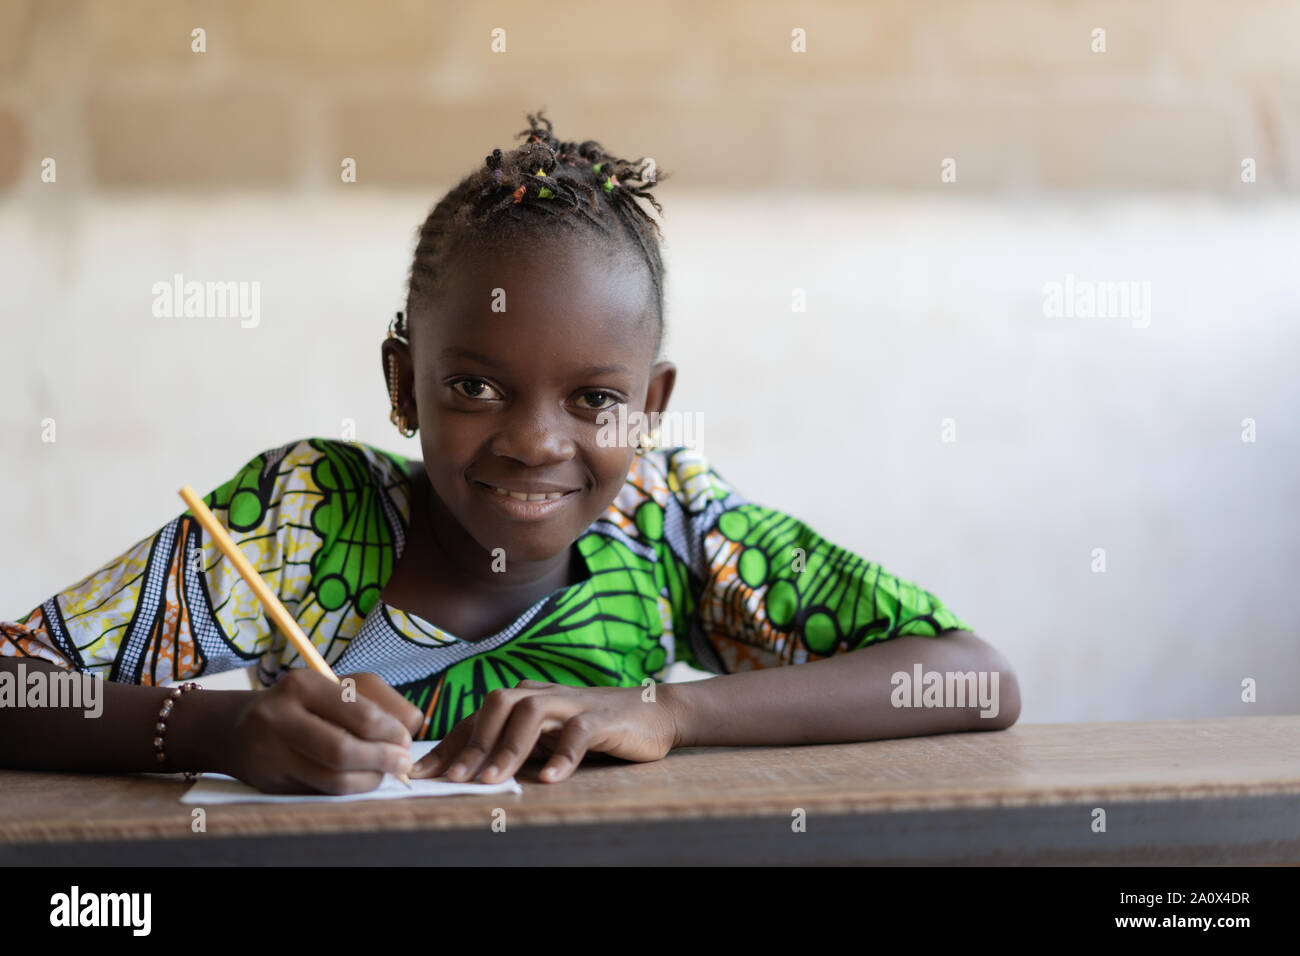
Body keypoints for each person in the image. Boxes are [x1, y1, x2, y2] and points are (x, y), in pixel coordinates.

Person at [1, 109, 1020, 794]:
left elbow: (973, 679)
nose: (536, 440)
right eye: (475, 385)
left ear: (650, 409)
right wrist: (218, 731)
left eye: (595, 398)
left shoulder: (665, 523)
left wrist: (668, 709)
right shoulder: (303, 514)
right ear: (403, 383)